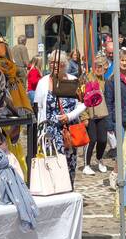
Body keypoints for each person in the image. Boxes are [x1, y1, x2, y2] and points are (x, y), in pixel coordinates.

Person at [33, 50, 86, 186]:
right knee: (53, 163)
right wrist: (40, 130)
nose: (54, 66)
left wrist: (69, 116)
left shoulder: (73, 81)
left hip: (69, 130)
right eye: (51, 63)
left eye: (58, 64)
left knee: (69, 163)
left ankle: (69, 188)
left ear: (64, 65)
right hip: (51, 130)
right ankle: (55, 190)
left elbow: (82, 104)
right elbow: (38, 107)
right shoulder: (43, 82)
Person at [82, 53, 111, 174]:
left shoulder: (106, 81)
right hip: (91, 115)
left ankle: (99, 159)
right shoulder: (88, 78)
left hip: (102, 114)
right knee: (92, 140)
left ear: (105, 68)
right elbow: (82, 98)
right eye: (97, 66)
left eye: (101, 66)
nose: (98, 69)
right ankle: (86, 164)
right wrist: (84, 116)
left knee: (103, 140)